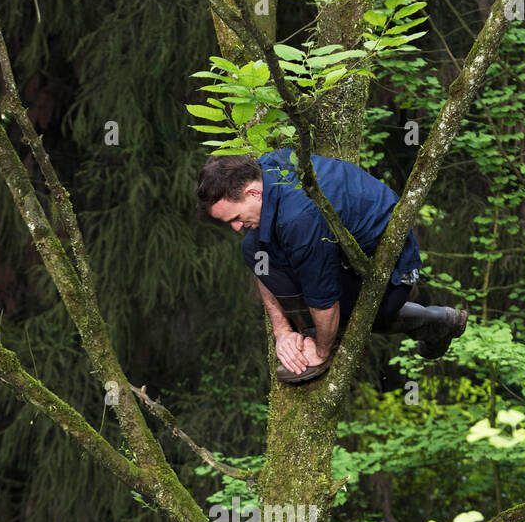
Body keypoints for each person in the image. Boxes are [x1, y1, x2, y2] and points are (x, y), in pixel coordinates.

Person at [196, 149, 467, 383]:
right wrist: (282, 333)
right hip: (349, 256)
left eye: (236, 217)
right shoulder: (269, 165)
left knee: (332, 307)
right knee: (253, 247)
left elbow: (323, 298)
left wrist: (322, 350)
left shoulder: (298, 219)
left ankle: (427, 323)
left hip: (391, 276)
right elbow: (262, 253)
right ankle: (438, 320)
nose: (235, 227)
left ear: (253, 192)